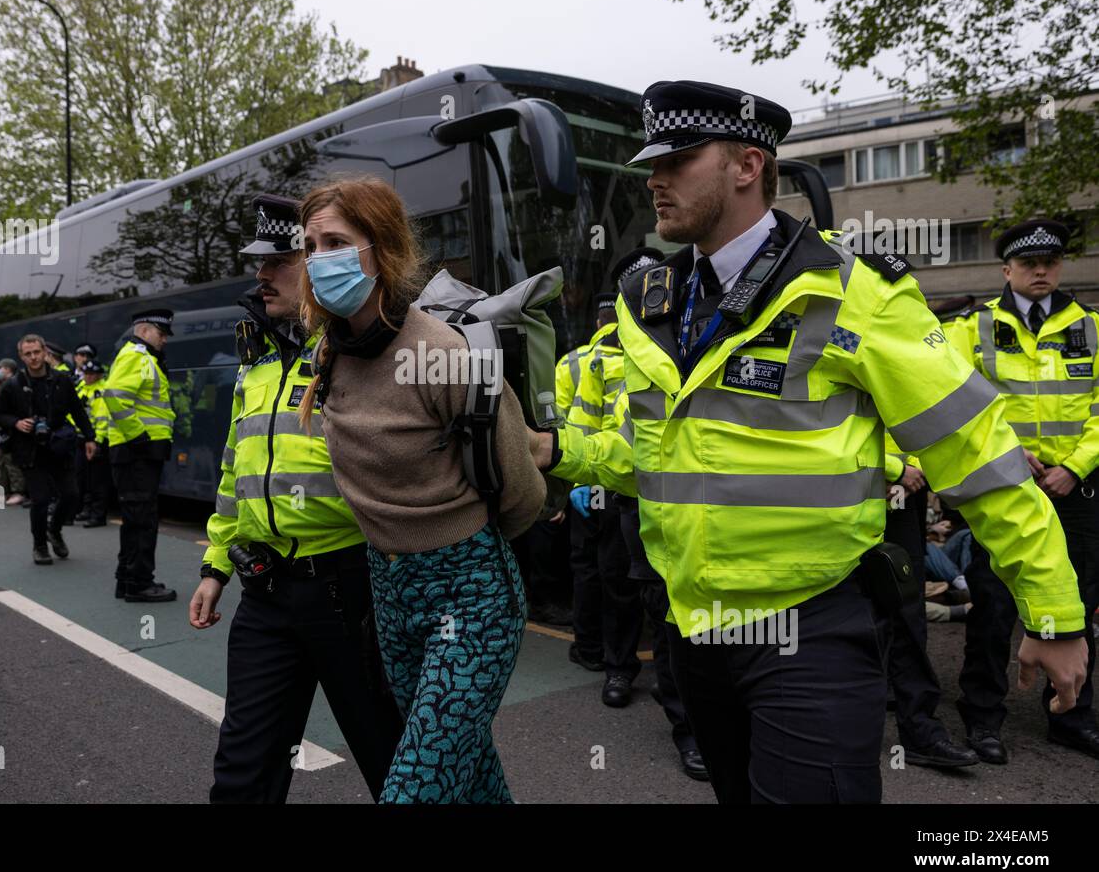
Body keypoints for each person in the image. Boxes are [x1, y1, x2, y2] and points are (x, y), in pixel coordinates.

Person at [529, 79, 1089, 803]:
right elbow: (653, 459)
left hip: (812, 633)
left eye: (678, 160)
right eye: (651, 164)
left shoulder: (852, 290)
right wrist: (555, 450)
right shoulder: (651, 305)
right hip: (697, 629)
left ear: (747, 165)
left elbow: (974, 450)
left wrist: (1054, 613)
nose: (655, 180)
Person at [297, 176, 546, 803]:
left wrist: (460, 544)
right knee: (469, 772)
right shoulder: (329, 354)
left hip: (470, 595)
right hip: (391, 595)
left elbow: (521, 489)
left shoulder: (444, 355)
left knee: (415, 788)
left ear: (379, 250)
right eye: (310, 244)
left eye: (336, 242)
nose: (319, 258)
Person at [189, 193, 402, 804]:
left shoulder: (361, 348)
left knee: (392, 760)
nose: (262, 273)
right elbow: (236, 472)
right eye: (261, 260)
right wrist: (216, 565)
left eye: (281, 258)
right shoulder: (256, 360)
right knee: (243, 771)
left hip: (350, 592)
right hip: (265, 593)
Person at [943, 218, 1099, 762]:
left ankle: (1072, 714)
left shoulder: (1094, 328)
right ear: (1006, 269)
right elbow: (954, 400)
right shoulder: (969, 328)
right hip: (1003, 485)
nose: (1041, 270)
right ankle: (983, 719)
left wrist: (1076, 467)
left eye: (1050, 262)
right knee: (992, 605)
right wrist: (1008, 455)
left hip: (1074, 488)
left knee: (1076, 604)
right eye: (1029, 263)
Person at [565, 253, 658, 707]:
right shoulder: (600, 356)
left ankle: (671, 678)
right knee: (617, 581)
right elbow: (586, 420)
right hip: (618, 484)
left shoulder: (679, 338)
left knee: (663, 593)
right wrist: (582, 477)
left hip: (671, 490)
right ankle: (618, 669)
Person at [878, 435, 979, 768]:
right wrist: (895, 468)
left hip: (902, 492)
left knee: (908, 613)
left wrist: (912, 471)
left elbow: (929, 417)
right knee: (827, 611)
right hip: (832, 488)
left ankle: (919, 730)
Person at [0, 334, 96, 564]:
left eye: (37, 352)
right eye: (28, 354)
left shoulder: (61, 380)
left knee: (71, 495)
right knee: (40, 499)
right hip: (29, 449)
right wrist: (16, 423)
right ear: (21, 356)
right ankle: (39, 545)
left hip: (58, 446)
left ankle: (54, 530)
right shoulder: (13, 385)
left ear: (44, 351)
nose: (33, 357)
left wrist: (90, 437)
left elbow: (77, 410)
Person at [102, 308, 179, 602]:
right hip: (137, 452)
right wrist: (140, 438)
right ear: (144, 330)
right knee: (143, 520)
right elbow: (115, 396)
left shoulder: (140, 357)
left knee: (137, 518)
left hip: (136, 452)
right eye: (161, 334)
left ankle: (128, 580)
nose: (164, 340)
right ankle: (139, 584)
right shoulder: (136, 356)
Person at [76, 360, 112, 527]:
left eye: (91, 374)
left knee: (99, 481)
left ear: (98, 375)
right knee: (84, 477)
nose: (88, 377)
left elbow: (103, 419)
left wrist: (97, 441)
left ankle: (98, 515)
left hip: (97, 440)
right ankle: (86, 509)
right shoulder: (81, 388)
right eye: (86, 373)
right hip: (81, 438)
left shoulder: (102, 390)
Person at [0, 357, 27, 506]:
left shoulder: (14, 384)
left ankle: (18, 491)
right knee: (1, 462)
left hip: (10, 428)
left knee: (11, 462)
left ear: (8, 369)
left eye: (1, 368)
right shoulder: (2, 385)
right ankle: (1, 493)